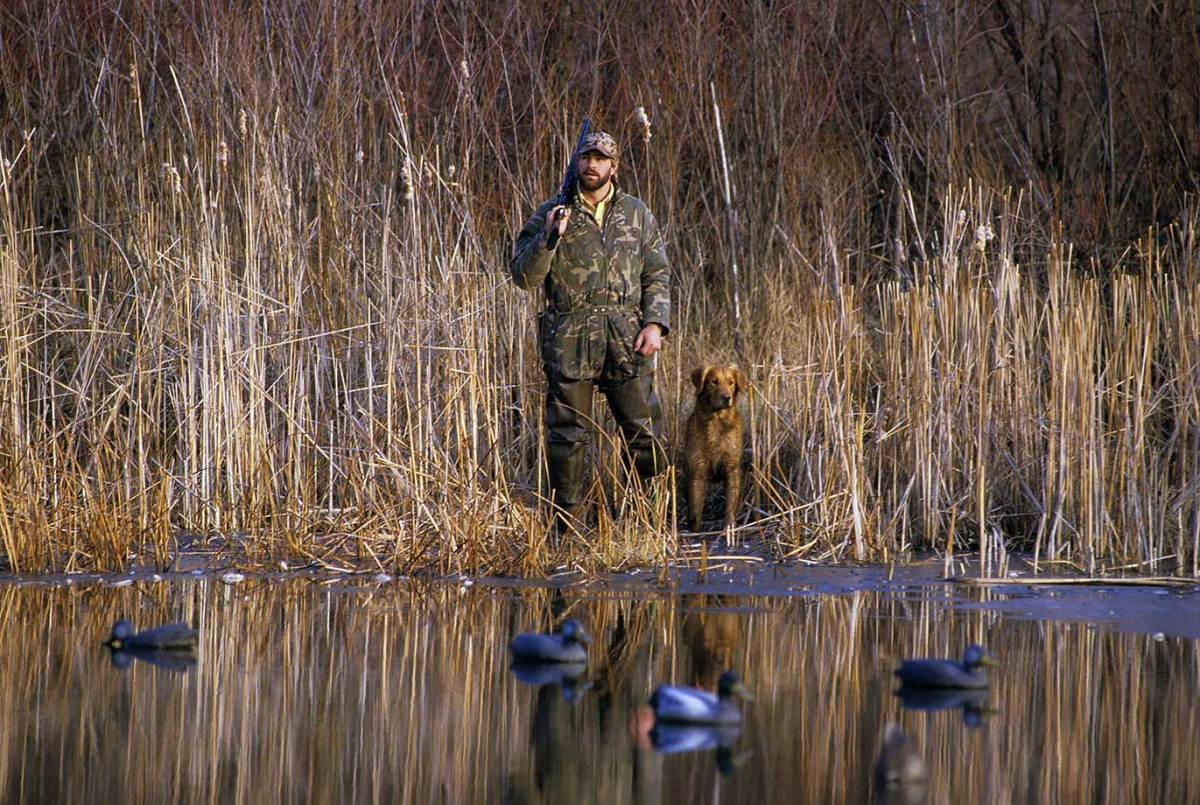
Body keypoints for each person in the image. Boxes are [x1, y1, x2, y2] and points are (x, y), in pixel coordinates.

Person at [510, 130, 670, 534]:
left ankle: (651, 522)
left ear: (614, 166)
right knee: (567, 437)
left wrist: (654, 324)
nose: (592, 165)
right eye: (586, 157)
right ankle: (566, 528)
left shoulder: (636, 213)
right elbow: (523, 278)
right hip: (569, 339)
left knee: (642, 432)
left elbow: (657, 273)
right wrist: (549, 238)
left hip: (626, 337)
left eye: (601, 158)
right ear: (577, 162)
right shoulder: (552, 212)